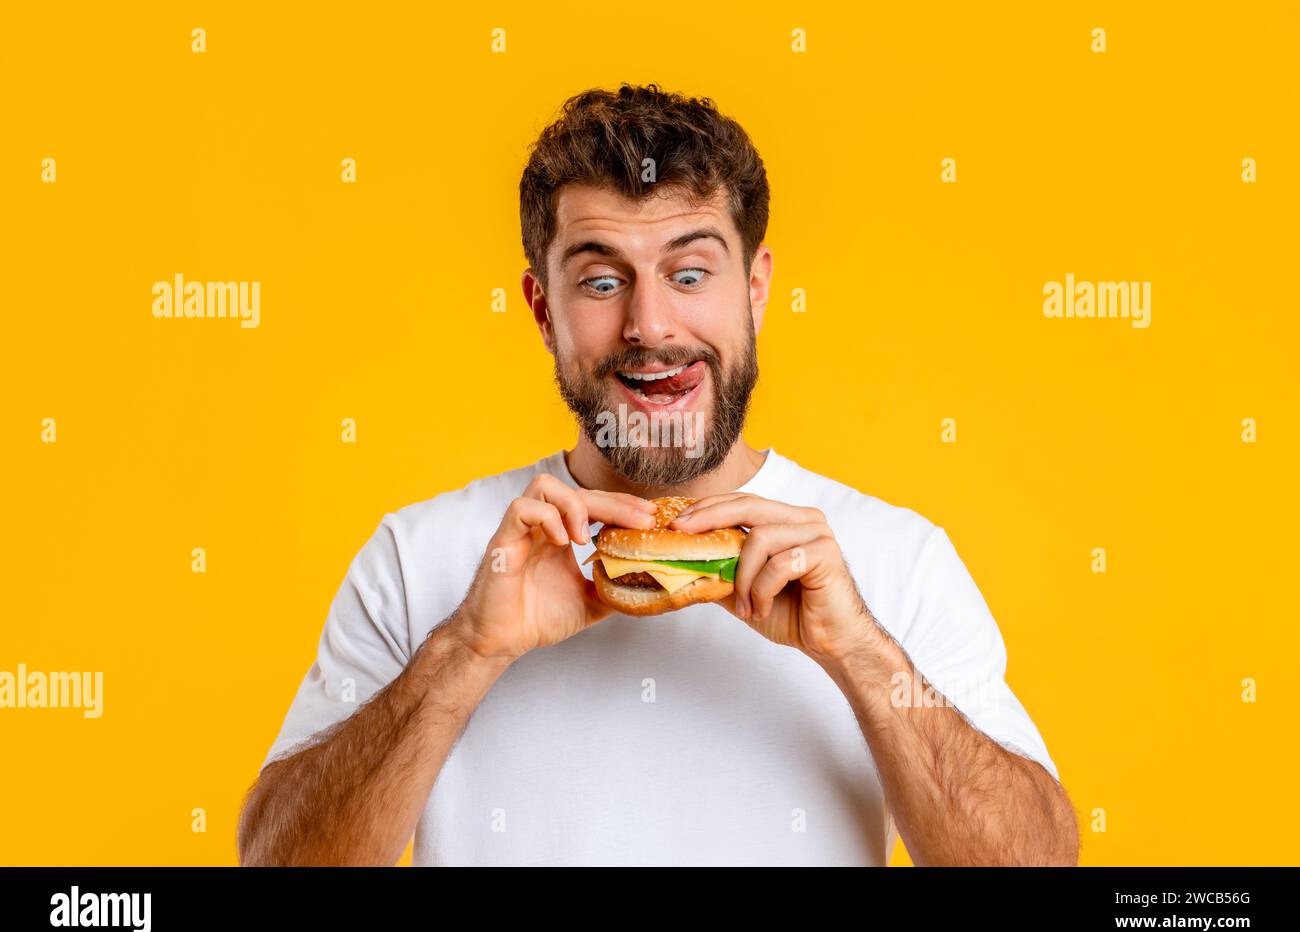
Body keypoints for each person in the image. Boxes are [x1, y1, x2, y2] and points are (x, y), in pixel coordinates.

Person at [237, 83, 1078, 866]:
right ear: (542, 310)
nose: (650, 324)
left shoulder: (896, 561)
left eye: (688, 274)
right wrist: (466, 651)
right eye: (602, 281)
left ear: (754, 290)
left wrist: (858, 651)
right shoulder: (418, 557)